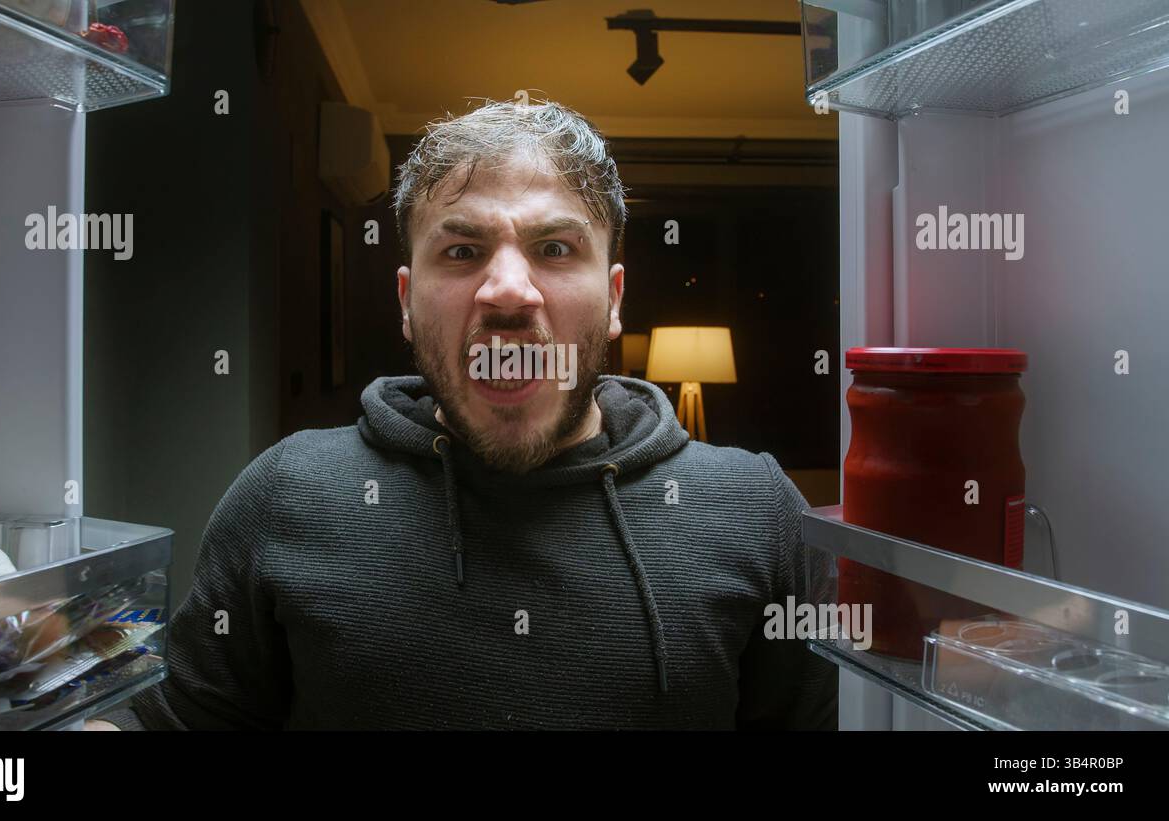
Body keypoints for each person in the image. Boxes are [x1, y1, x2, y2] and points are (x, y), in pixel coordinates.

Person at [89, 99, 837, 730]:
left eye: (555, 247)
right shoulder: (285, 493)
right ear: (406, 302)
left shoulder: (758, 511)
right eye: (461, 251)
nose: (508, 290)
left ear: (614, 299)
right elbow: (170, 719)